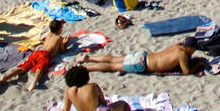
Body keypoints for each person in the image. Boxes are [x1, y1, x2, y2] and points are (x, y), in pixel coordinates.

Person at [53, 66, 143, 111]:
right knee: (123, 104)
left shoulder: (68, 92)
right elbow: (104, 103)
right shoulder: (93, 86)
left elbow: (65, 110)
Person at [0, 20, 68, 92]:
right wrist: (65, 43)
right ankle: (34, 82)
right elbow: (63, 51)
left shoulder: (49, 34)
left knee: (24, 67)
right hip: (45, 54)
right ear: (59, 29)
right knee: (40, 67)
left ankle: (6, 77)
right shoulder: (59, 38)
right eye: (61, 27)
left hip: (37, 52)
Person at [77, 40, 207, 77]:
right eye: (194, 49)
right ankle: (87, 68)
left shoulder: (178, 46)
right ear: (189, 48)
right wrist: (198, 65)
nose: (195, 51)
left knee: (114, 58)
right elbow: (186, 71)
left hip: (144, 55)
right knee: (112, 66)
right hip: (142, 64)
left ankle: (88, 58)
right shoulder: (182, 55)